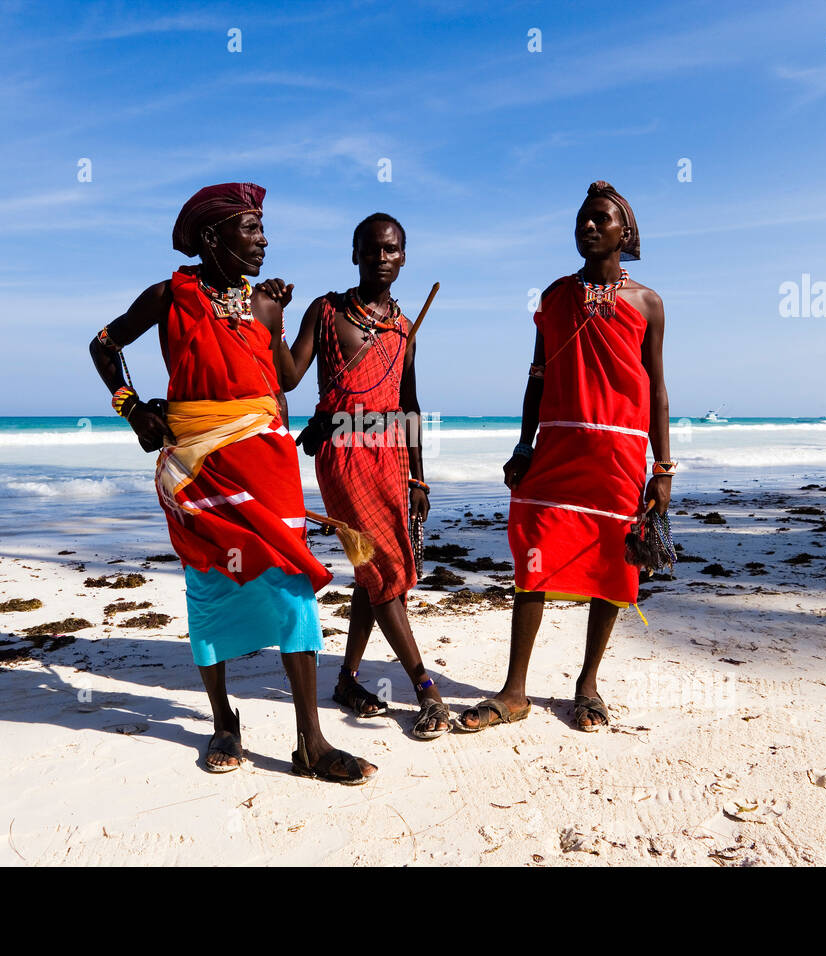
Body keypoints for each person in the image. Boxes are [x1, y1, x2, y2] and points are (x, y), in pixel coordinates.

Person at [88, 182, 377, 784]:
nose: (263, 240)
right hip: (198, 464)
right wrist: (131, 405)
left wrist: (302, 323)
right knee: (208, 585)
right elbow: (104, 343)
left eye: (264, 229)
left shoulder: (265, 307)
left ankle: (311, 742)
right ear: (212, 238)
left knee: (291, 584)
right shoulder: (169, 296)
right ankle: (224, 720)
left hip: (268, 465)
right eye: (249, 230)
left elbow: (283, 380)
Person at [459, 181, 673, 734]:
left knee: (612, 564)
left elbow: (657, 389)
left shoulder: (647, 302)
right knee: (533, 557)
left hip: (619, 455)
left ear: (625, 233)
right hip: (555, 449)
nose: (588, 226)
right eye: (582, 219)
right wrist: (522, 443)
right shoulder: (553, 297)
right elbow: (537, 377)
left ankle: (587, 686)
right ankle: (514, 691)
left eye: (601, 219)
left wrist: (663, 467)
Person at [283, 213, 451, 740]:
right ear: (354, 254)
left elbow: (411, 405)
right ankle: (426, 689)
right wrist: (275, 321)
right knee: (380, 565)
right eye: (372, 249)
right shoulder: (327, 311)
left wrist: (419, 479)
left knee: (370, 568)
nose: (382, 258)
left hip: (390, 454)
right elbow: (288, 375)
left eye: (393, 249)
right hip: (342, 454)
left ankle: (348, 679)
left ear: (404, 256)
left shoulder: (406, 329)